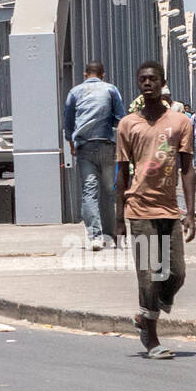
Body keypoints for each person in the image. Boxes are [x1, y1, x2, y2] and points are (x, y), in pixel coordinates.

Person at [115, 61, 196, 359]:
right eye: (142, 79)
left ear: (163, 83)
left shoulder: (180, 122)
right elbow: (121, 173)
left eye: (153, 79)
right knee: (148, 275)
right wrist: (118, 218)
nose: (147, 83)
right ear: (138, 83)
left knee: (175, 273)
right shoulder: (128, 125)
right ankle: (150, 335)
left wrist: (191, 211)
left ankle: (146, 312)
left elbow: (186, 169)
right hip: (139, 208)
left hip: (169, 209)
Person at [63, 61, 126, 251]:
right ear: (103, 75)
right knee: (110, 191)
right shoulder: (111, 90)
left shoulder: (74, 92)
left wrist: (72, 143)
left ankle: (95, 237)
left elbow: (68, 122)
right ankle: (112, 235)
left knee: (89, 191)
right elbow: (120, 118)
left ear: (85, 74)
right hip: (107, 145)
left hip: (84, 147)